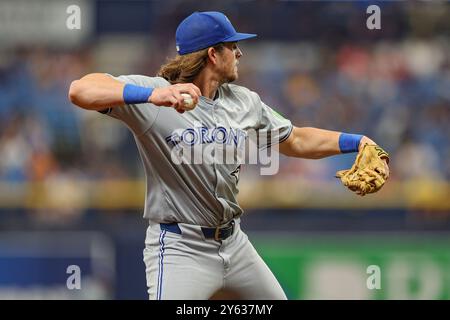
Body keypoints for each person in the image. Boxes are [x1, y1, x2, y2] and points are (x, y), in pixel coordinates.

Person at [68, 11, 389, 299]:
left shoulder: (244, 101)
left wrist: (356, 141)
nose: (239, 53)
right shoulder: (157, 95)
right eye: (232, 46)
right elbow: (81, 90)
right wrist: (152, 95)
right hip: (182, 246)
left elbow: (297, 140)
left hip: (234, 242)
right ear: (212, 54)